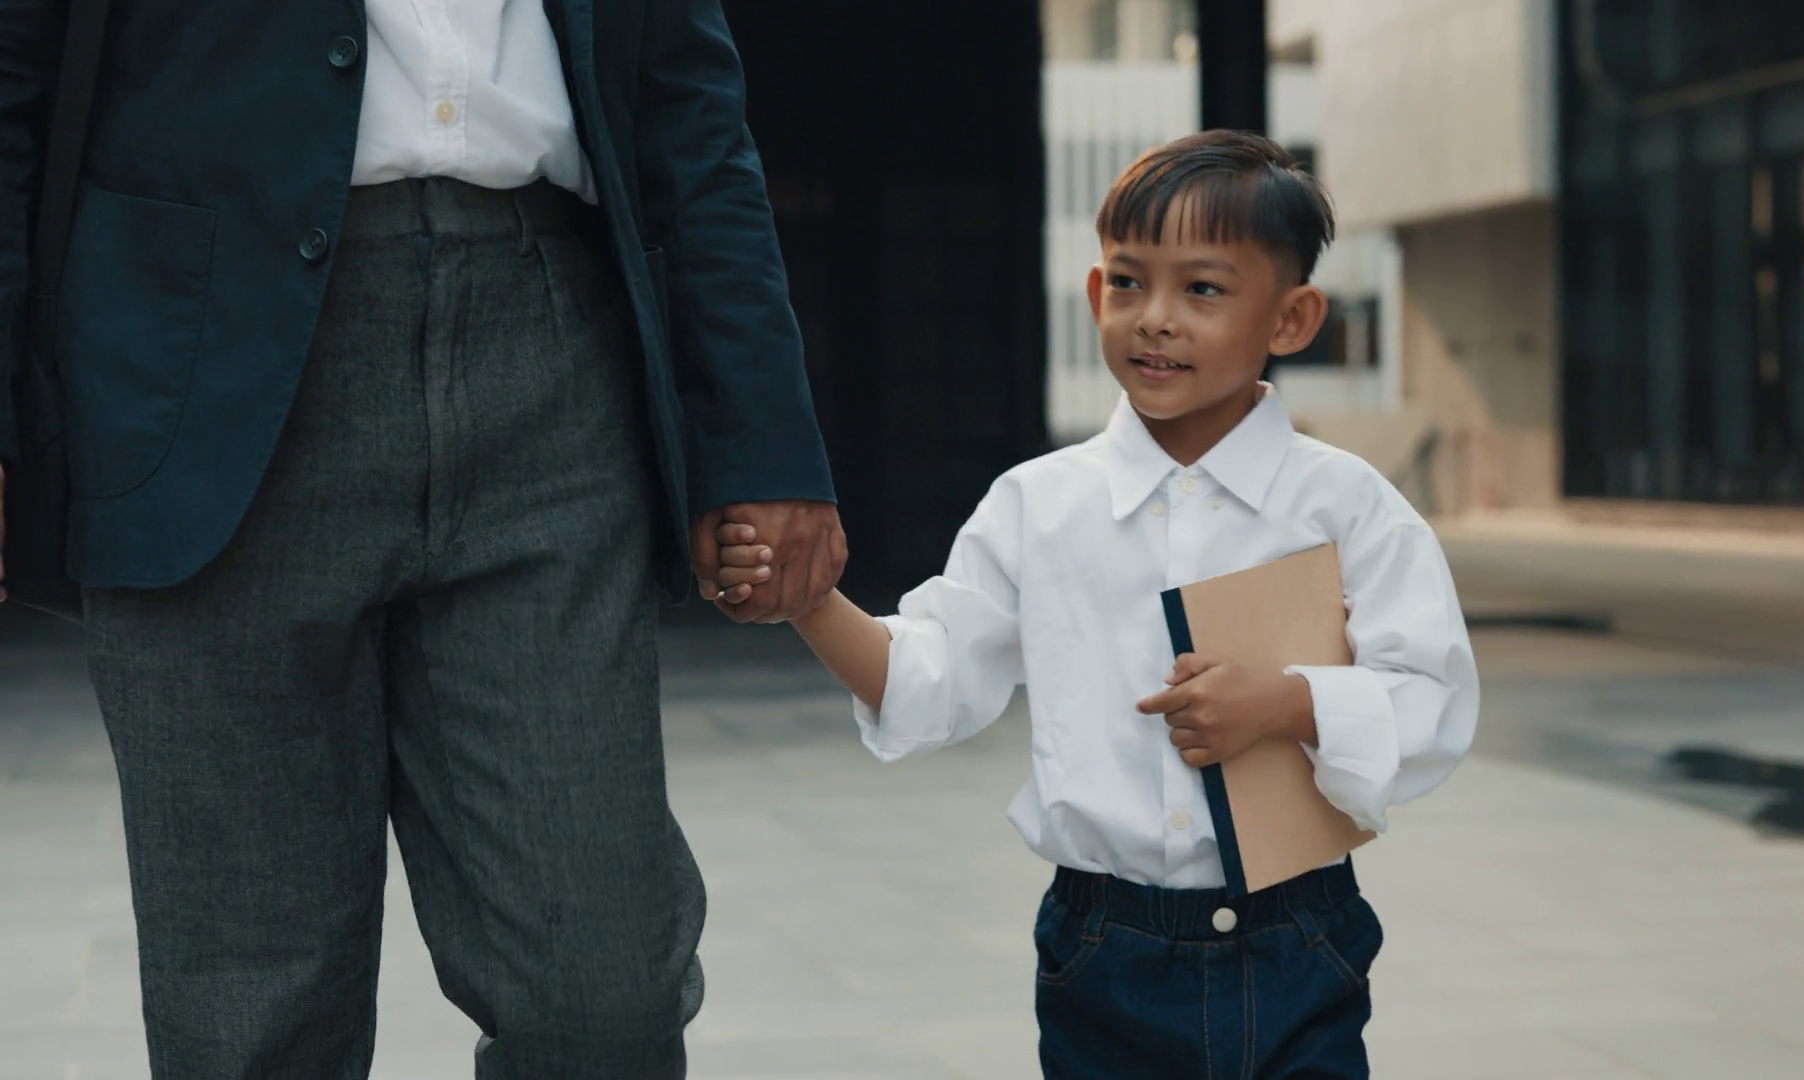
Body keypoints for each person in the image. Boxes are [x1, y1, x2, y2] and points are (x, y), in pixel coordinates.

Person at [0, 2, 844, 1077]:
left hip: (549, 351)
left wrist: (763, 439)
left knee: (605, 1006)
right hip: (199, 368)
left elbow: (689, 97)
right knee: (250, 1026)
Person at [708, 131, 1479, 1078]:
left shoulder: (1348, 503)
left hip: (1298, 935)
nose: (1155, 318)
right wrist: (808, 600)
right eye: (1127, 282)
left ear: (1292, 317)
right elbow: (930, 680)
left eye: (1202, 288)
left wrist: (1286, 703)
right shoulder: (1040, 505)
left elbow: (1433, 698)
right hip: (1101, 947)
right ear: (1091, 292)